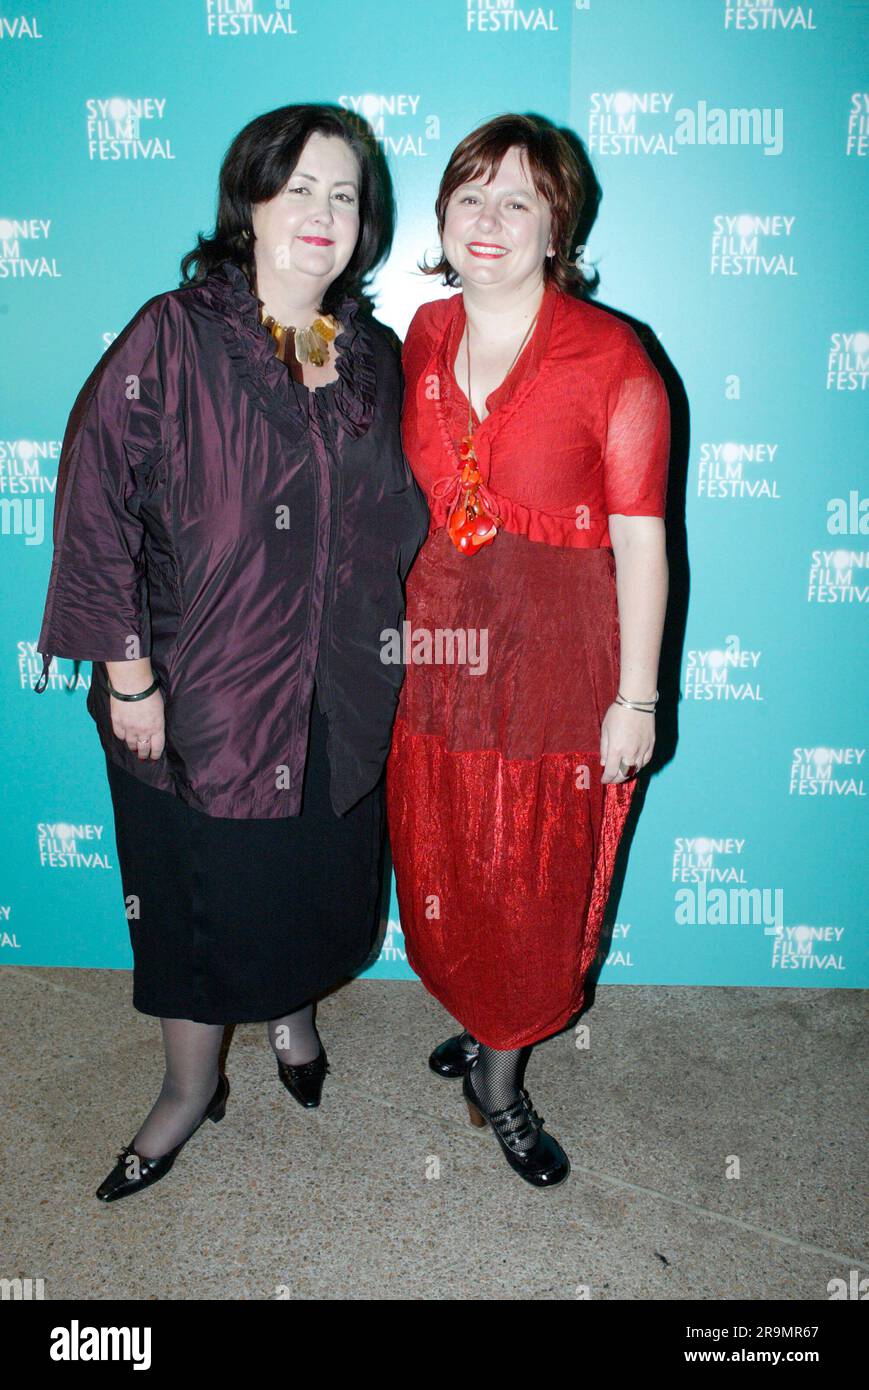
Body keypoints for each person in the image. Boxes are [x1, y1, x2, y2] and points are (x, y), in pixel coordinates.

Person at [34, 104, 428, 1202]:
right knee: (199, 910)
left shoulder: (371, 361)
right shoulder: (174, 333)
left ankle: (292, 1020)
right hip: (193, 699)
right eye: (298, 186)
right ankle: (185, 1090)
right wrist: (130, 676)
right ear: (248, 202)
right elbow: (94, 500)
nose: (322, 212)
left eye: (344, 194)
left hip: (335, 692)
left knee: (307, 882)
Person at [386, 114, 670, 1188]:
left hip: (559, 658)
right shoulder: (417, 334)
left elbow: (642, 542)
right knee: (451, 858)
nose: (489, 221)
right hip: (436, 649)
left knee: (540, 878)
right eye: (470, 197)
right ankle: (479, 1012)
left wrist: (635, 700)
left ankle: (497, 1084)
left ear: (559, 225)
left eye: (518, 200)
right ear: (442, 219)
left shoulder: (612, 357)